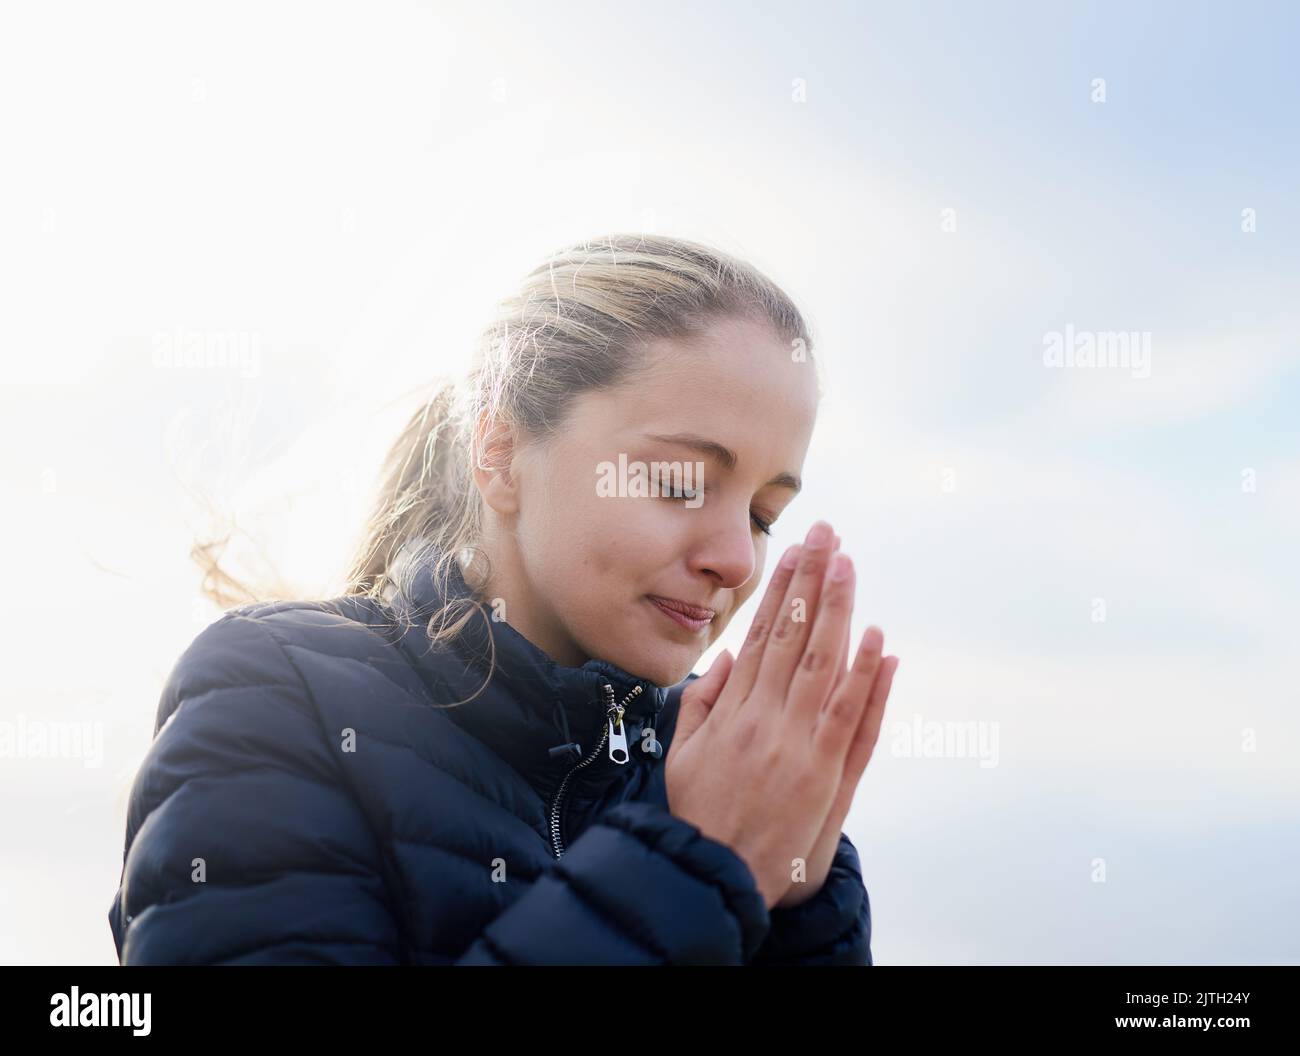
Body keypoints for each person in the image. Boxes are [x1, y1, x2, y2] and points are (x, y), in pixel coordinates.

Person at [107, 233, 900, 965]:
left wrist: (800, 906)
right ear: (502, 451)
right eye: (677, 483)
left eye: (764, 516)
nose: (736, 559)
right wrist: (688, 868)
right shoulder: (277, 693)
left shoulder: (724, 780)